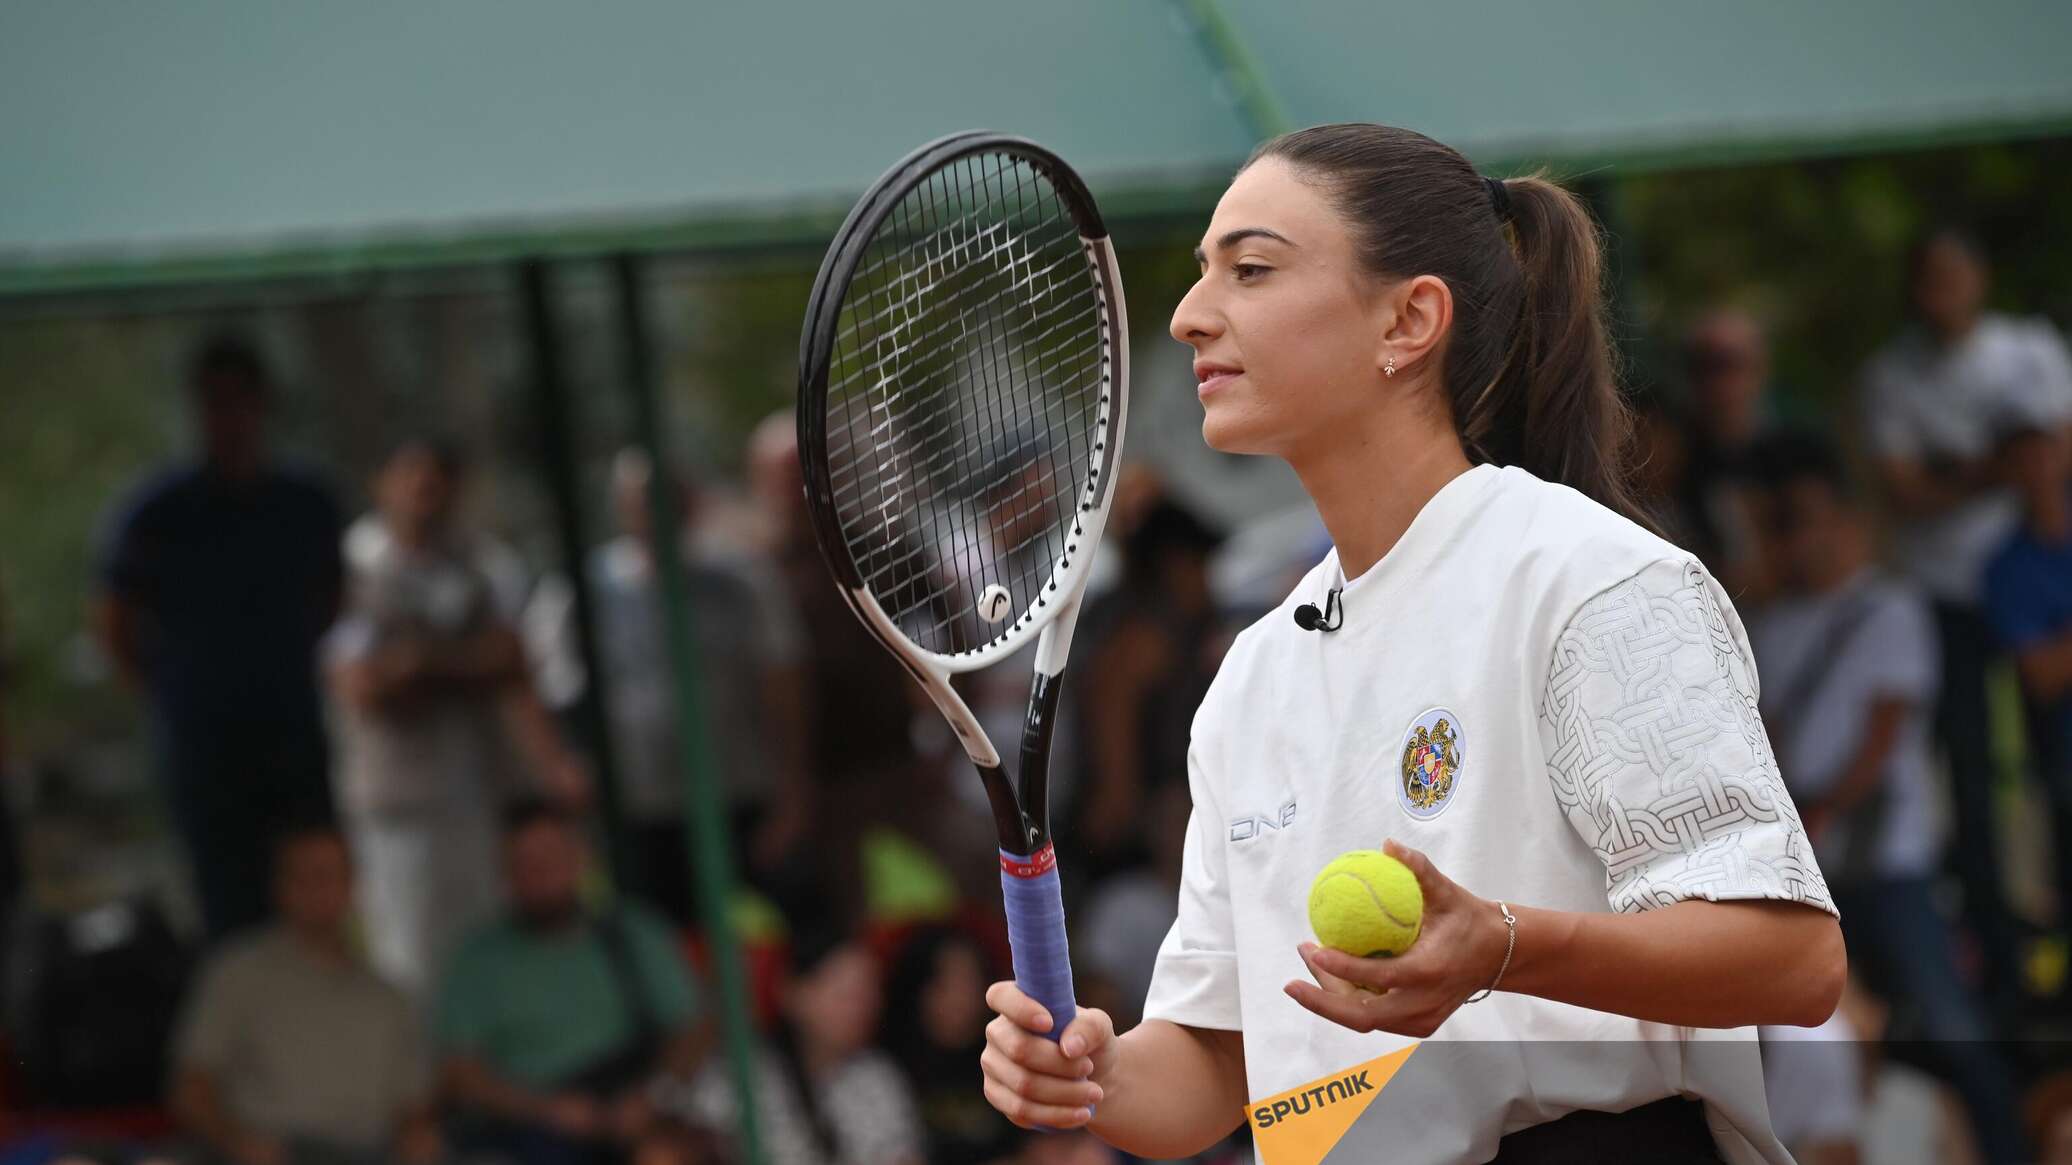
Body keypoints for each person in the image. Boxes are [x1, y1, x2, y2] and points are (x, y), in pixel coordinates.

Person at [977, 124, 1844, 1164]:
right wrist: (1092, 1072)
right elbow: (1212, 1072)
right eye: (1203, 273)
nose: (1188, 315)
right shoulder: (1251, 678)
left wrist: (1504, 947)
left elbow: (1793, 959)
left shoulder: (1585, 578)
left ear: (1408, 320)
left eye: (1249, 269)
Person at [1747, 435, 2026, 1160]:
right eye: (1779, 523)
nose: (1794, 538)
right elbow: (1763, 736)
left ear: (1844, 519)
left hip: (1889, 861)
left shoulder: (1892, 609)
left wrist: (1823, 808)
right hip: (1809, 867)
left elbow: (1884, 732)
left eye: (1803, 518)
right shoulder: (1771, 624)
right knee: (1809, 1036)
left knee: (1949, 1027)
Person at [1859, 228, 2072, 1015]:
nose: (1942, 289)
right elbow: (1904, 489)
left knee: (2058, 768)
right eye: (1929, 276)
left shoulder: (2028, 350)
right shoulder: (1893, 374)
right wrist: (2000, 465)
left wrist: (1960, 470)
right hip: (1946, 593)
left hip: (2033, 577)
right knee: (1971, 776)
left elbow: (2055, 453)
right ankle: (2000, 954)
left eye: (1955, 274)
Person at [95, 335, 343, 939]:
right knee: (228, 911)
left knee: (313, 893)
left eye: (240, 401)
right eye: (214, 402)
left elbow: (332, 602)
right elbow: (114, 622)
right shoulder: (156, 512)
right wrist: (170, 693)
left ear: (264, 405)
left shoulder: (303, 501)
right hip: (204, 751)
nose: (228, 417)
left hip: (291, 737)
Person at [326, 436, 587, 999]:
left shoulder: (484, 563)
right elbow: (362, 684)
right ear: (382, 484)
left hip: (480, 792)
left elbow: (512, 660)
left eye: (438, 481)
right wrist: (464, 661)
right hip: (399, 804)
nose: (426, 494)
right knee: (413, 957)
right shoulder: (354, 566)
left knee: (494, 949)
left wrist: (423, 661)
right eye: (412, 479)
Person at [529, 449, 810, 924]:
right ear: (622, 506)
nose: (656, 510)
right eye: (642, 498)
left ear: (692, 502)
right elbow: (545, 694)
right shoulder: (578, 592)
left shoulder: (742, 583)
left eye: (669, 496)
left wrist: (793, 790)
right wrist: (568, 784)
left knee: (785, 926)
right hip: (637, 811)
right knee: (659, 937)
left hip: (740, 798)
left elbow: (785, 687)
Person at [438, 800, 706, 1165]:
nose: (540, 873)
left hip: (634, 1109)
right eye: (524, 862)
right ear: (505, 872)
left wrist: (652, 1095)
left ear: (580, 859)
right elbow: (460, 1073)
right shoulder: (477, 960)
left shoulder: (633, 933)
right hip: (530, 1128)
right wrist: (544, 1109)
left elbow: (693, 1028)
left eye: (550, 857)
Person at [171, 823, 440, 1165]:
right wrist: (237, 1141)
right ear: (280, 886)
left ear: (353, 884)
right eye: (304, 876)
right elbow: (191, 1088)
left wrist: (417, 1134)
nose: (318, 890)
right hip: (277, 1152)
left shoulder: (388, 997)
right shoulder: (237, 975)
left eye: (329, 875)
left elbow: (414, 1102)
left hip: (370, 1154)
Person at [664, 924, 925, 1165]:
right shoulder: (743, 1074)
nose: (863, 1006)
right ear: (792, 994)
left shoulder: (877, 1077)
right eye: (845, 993)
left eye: (869, 991)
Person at [1984, 424, 2072, 943]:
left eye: (2046, 458)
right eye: (2023, 463)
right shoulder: (2007, 566)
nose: (2038, 474)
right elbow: (2040, 677)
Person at [882, 927, 1021, 1165]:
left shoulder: (1010, 1057)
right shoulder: (889, 1065)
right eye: (946, 982)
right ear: (920, 989)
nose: (961, 996)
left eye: (969, 981)